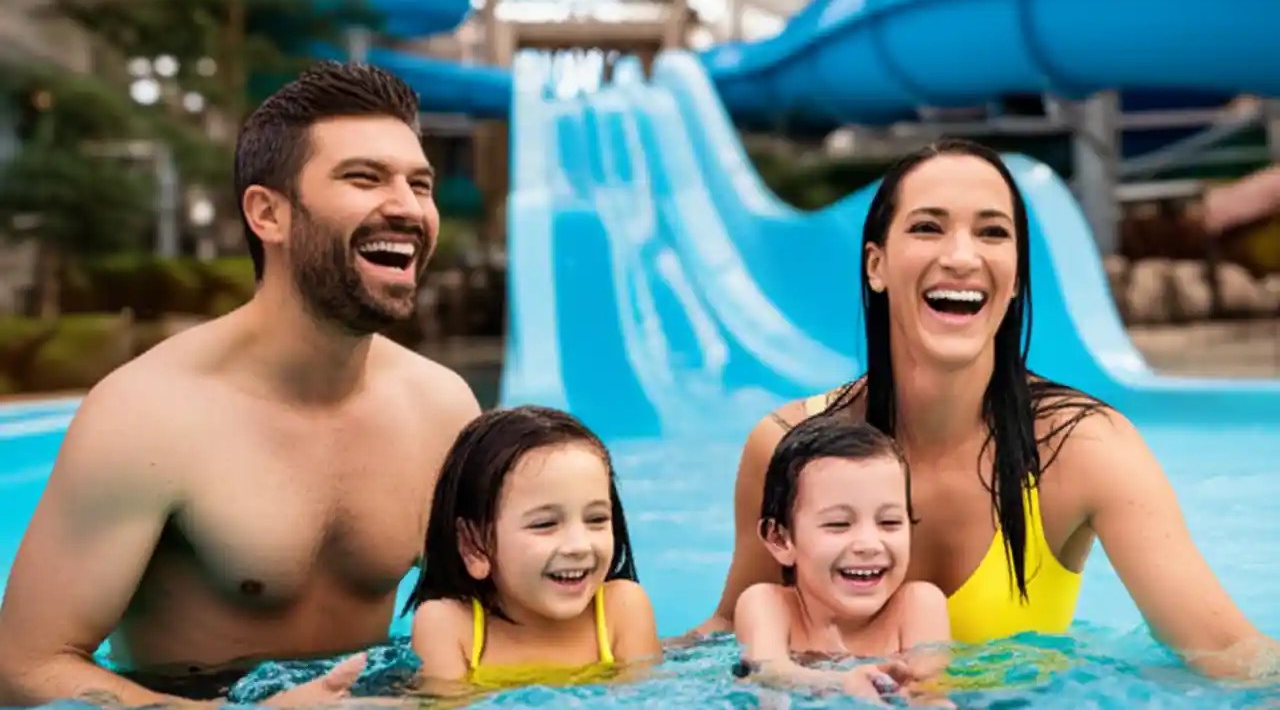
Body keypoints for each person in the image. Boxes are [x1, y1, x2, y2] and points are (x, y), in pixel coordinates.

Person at [694, 138, 1280, 680]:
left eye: (992, 233)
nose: (961, 257)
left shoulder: (1081, 449)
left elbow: (1224, 650)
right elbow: (729, 639)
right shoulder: (788, 445)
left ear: (1019, 273)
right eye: (927, 227)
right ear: (876, 265)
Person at [0, 61, 482, 707]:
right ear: (268, 214)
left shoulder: (440, 407)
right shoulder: (149, 414)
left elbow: (503, 614)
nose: (406, 206)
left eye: (419, 184)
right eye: (364, 178)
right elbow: (24, 667)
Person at [405, 405, 662, 697]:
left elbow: (647, 700)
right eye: (545, 524)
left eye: (596, 519)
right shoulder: (450, 627)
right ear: (473, 544)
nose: (579, 545)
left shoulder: (620, 611)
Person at [733, 413, 950, 703]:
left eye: (889, 522)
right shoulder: (767, 605)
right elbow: (767, 673)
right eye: (838, 524)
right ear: (780, 539)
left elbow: (930, 694)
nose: (869, 545)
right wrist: (840, 683)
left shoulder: (918, 605)